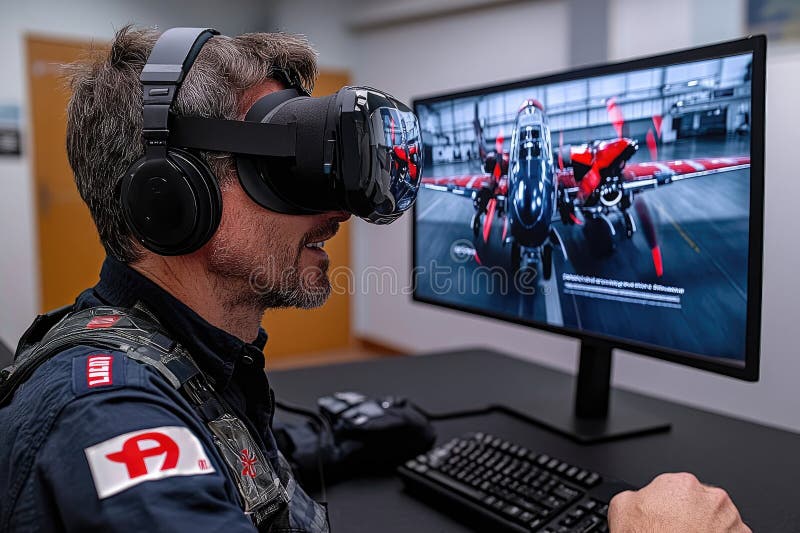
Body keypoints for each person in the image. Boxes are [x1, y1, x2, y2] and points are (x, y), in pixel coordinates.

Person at [0, 26, 749, 533]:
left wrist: (335, 439)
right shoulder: (109, 421)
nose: (335, 208)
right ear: (169, 201)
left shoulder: (185, 359)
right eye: (281, 170)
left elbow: (224, 451)